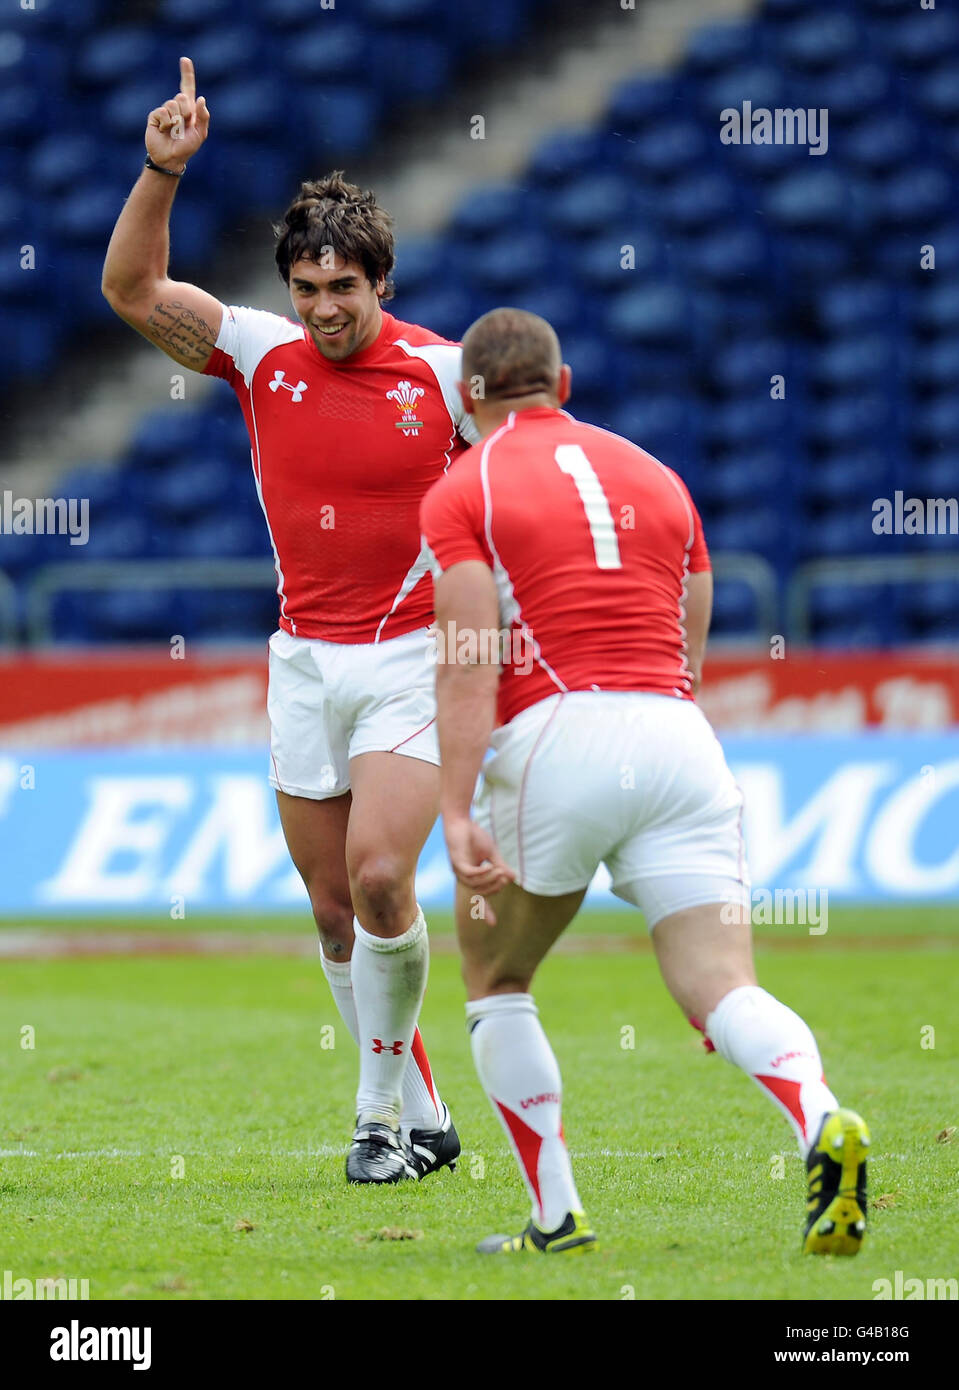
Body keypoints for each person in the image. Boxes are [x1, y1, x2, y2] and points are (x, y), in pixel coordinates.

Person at [419, 306, 870, 1254]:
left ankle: (554, 1216)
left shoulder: (467, 484)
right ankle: (820, 1115)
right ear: (564, 383)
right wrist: (675, 692)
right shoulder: (653, 473)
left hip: (558, 732)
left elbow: (465, 653)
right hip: (676, 733)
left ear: (469, 396)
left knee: (496, 975)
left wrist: (455, 807)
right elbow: (695, 588)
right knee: (720, 981)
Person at [102, 57, 474, 1184]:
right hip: (303, 663)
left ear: (380, 284)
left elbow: (540, 470)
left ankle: (374, 1121)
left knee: (376, 882)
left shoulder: (448, 378)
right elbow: (129, 290)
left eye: (341, 290)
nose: (321, 310)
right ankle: (426, 1112)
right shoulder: (262, 354)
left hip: (408, 661)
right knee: (327, 912)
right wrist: (161, 171)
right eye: (305, 288)